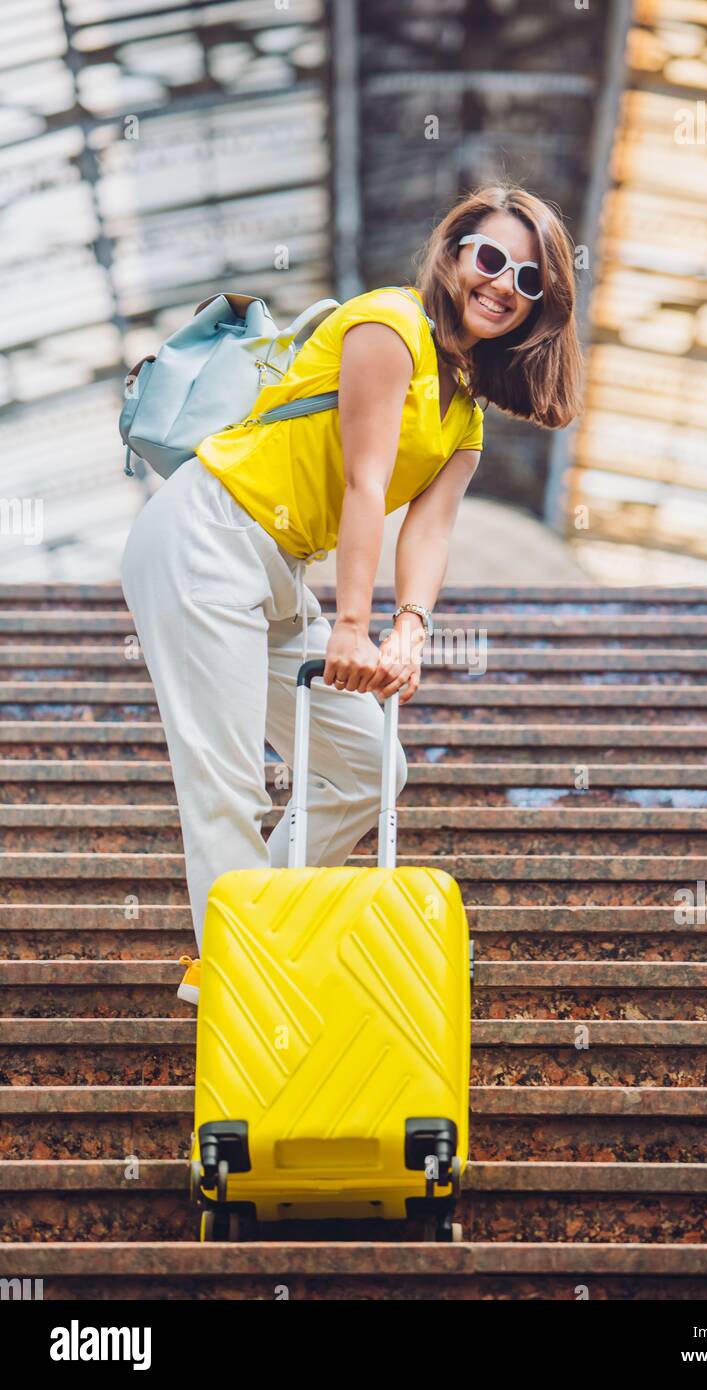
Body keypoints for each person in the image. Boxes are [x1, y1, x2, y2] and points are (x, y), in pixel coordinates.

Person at [119, 181, 582, 1005]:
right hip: (209, 532)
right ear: (452, 256)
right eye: (491, 259)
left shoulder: (466, 409)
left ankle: (246, 937)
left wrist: (410, 628)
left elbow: (428, 530)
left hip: (277, 566)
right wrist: (355, 625)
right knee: (228, 778)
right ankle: (243, 981)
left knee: (373, 766)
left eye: (531, 279)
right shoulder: (388, 325)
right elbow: (367, 485)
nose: (505, 284)